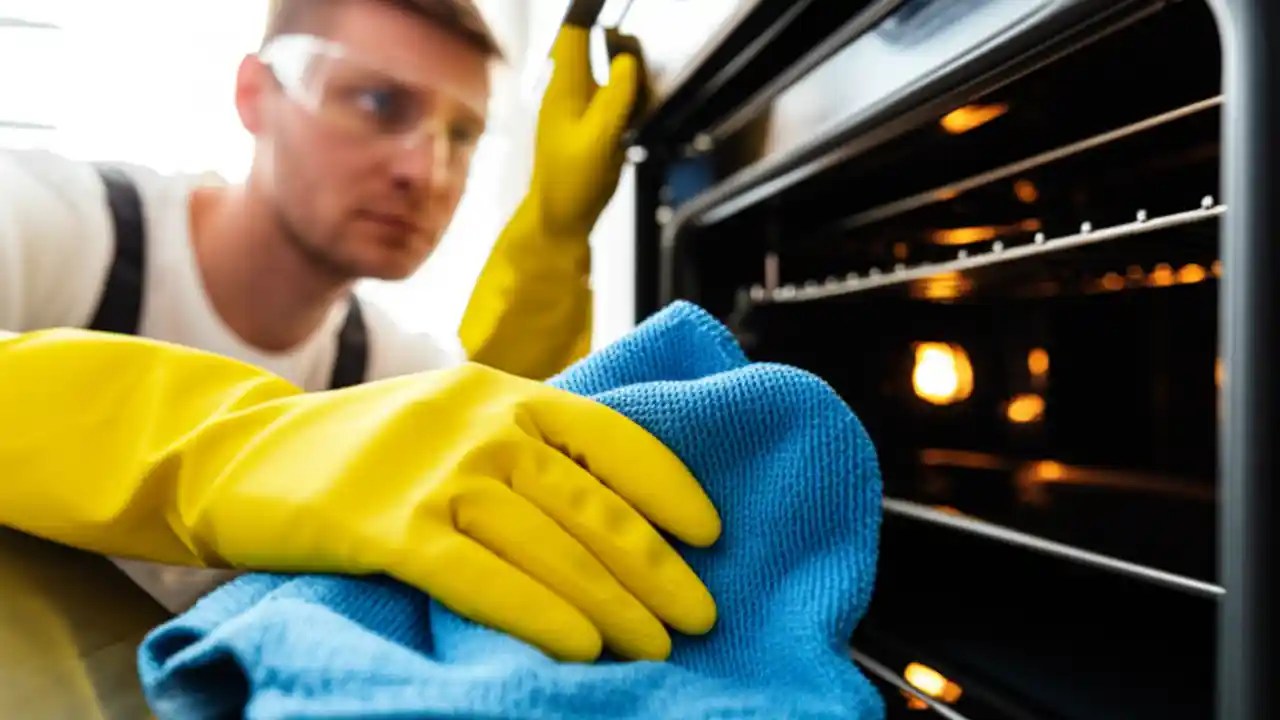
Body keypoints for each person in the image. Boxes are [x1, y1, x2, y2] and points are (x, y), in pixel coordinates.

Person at [0, 0, 720, 667]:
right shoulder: (61, 227)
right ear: (255, 93)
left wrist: (556, 239)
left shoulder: (382, 366)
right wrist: (230, 452)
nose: (426, 171)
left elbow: (504, 443)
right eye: (379, 104)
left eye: (462, 135)